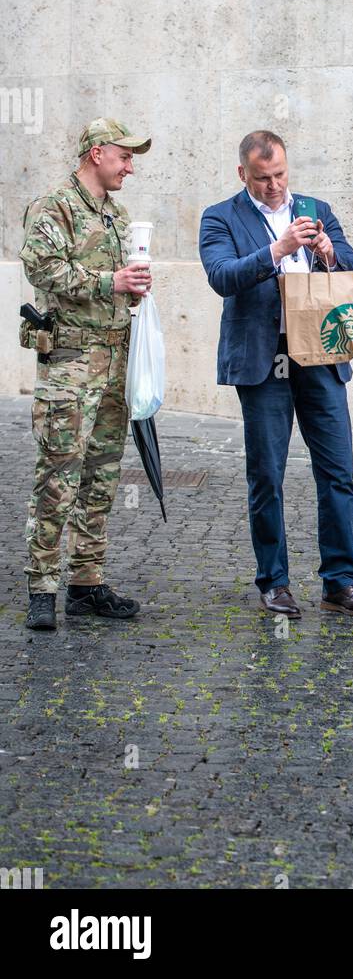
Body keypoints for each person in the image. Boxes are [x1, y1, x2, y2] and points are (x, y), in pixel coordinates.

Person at [198, 130, 353, 619]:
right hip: (264, 361)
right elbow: (222, 277)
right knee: (267, 475)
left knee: (338, 472)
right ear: (243, 174)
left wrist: (329, 252)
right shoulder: (220, 216)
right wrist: (276, 251)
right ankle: (274, 581)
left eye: (280, 174)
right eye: (263, 178)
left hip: (320, 354)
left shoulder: (315, 208)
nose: (275, 185)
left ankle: (340, 582)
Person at [20, 118, 153, 631]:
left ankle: (86, 582)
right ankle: (41, 587)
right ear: (97, 153)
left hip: (114, 362)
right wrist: (109, 281)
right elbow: (41, 268)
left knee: (101, 475)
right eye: (125, 156)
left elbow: (117, 283)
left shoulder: (117, 214)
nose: (130, 167)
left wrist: (132, 287)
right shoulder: (53, 205)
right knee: (58, 475)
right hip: (70, 366)